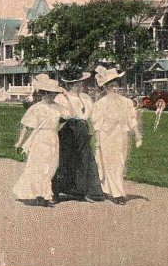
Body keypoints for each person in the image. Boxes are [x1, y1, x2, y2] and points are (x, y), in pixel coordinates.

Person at [91, 66, 143, 205]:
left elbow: (131, 119)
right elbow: (97, 124)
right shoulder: (100, 104)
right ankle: (117, 194)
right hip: (106, 136)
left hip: (121, 135)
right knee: (109, 163)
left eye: (115, 85)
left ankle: (107, 190)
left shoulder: (126, 102)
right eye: (111, 86)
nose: (114, 88)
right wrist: (98, 141)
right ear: (105, 87)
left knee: (120, 163)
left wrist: (137, 134)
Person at [12, 74, 65, 207]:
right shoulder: (37, 108)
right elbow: (26, 125)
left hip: (53, 138)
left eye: (53, 93)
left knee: (51, 167)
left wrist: (56, 129)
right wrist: (19, 142)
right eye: (47, 93)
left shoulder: (58, 107)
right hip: (40, 139)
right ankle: (40, 195)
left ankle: (45, 194)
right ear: (42, 93)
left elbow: (66, 118)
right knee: (38, 167)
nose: (50, 96)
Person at [52, 70, 104, 203]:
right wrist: (67, 99)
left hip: (82, 128)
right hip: (68, 128)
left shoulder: (85, 97)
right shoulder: (61, 98)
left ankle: (83, 190)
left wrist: (92, 130)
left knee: (84, 158)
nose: (81, 85)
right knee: (65, 157)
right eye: (78, 83)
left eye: (81, 82)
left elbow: (91, 115)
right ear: (71, 84)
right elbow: (63, 115)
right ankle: (57, 190)